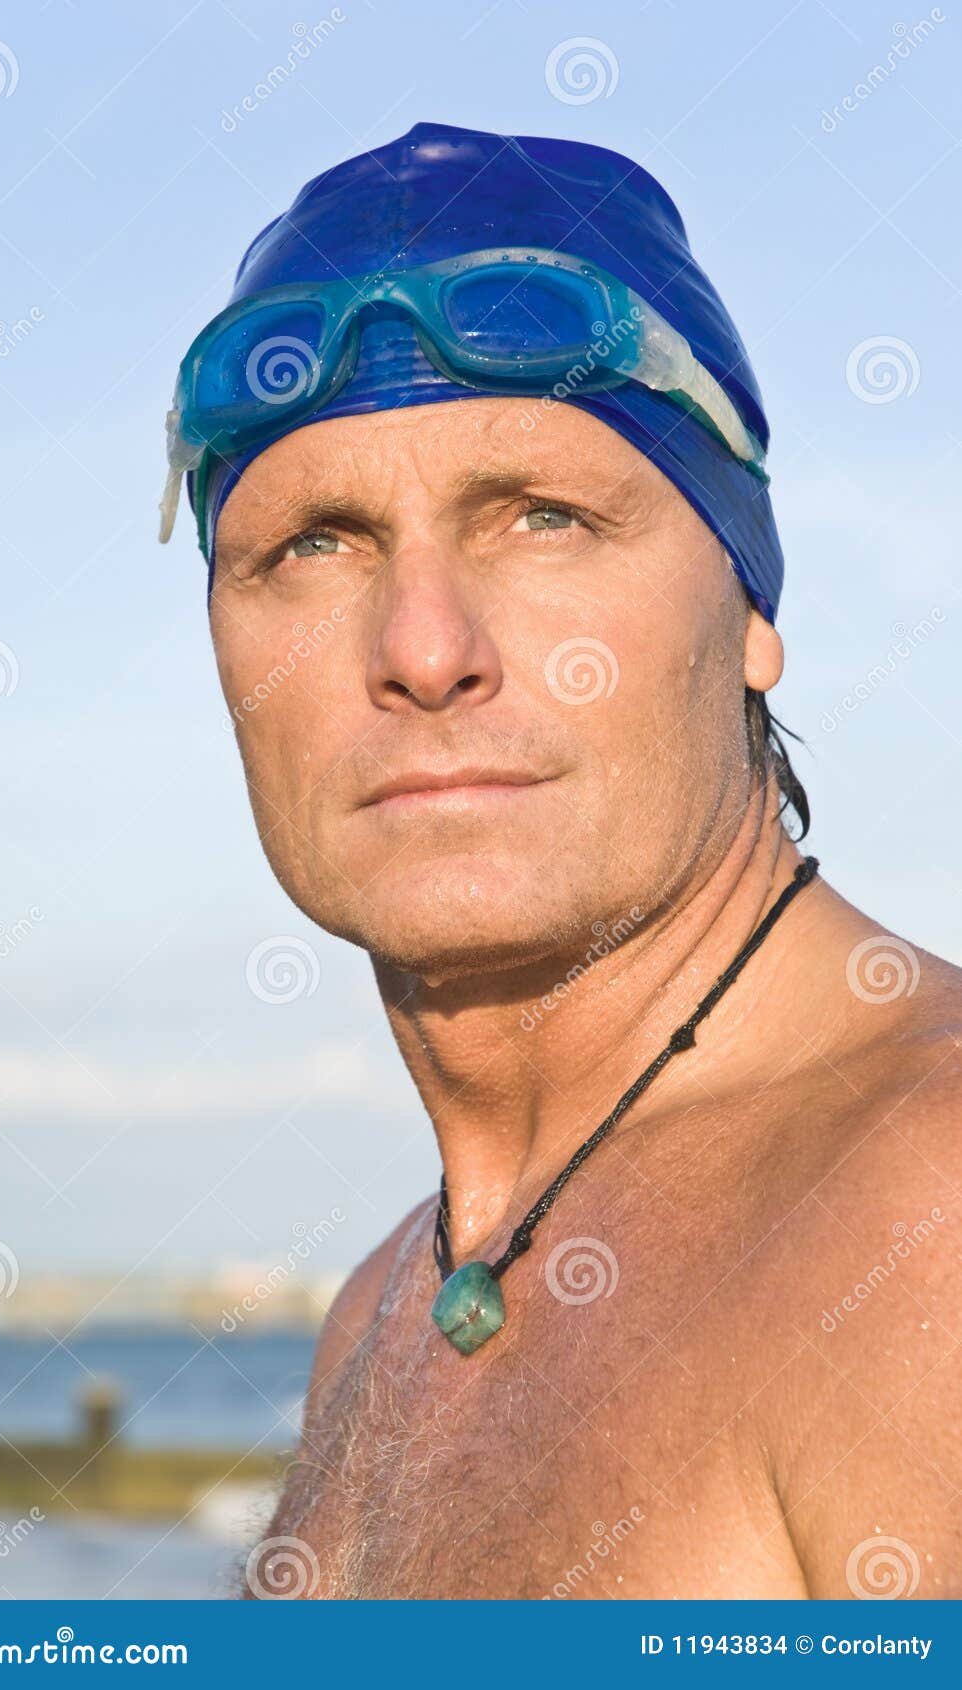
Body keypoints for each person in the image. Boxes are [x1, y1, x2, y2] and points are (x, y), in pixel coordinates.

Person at [161, 123, 962, 1600]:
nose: (420, 649)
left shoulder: (927, 1222)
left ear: (749, 615)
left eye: (543, 518)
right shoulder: (383, 1312)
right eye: (313, 545)